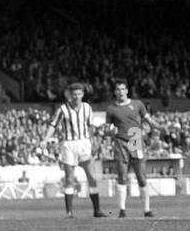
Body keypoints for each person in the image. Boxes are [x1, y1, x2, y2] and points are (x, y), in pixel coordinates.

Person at [43, 83, 102, 217]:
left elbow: (90, 126)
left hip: (84, 143)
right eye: (74, 94)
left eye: (79, 94)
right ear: (70, 95)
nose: (76, 97)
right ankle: (69, 212)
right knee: (69, 179)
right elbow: (53, 125)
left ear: (83, 94)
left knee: (92, 177)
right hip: (69, 145)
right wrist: (46, 139)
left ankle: (97, 210)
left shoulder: (87, 108)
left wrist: (93, 142)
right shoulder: (63, 109)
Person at [103, 80, 157, 217]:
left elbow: (148, 120)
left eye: (123, 89)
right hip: (121, 142)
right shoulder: (111, 109)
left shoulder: (137, 104)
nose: (120, 92)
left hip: (135, 140)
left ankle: (147, 210)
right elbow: (107, 129)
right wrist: (111, 131)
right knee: (122, 175)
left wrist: (158, 127)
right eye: (118, 89)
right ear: (115, 92)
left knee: (142, 177)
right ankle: (122, 209)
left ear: (127, 90)